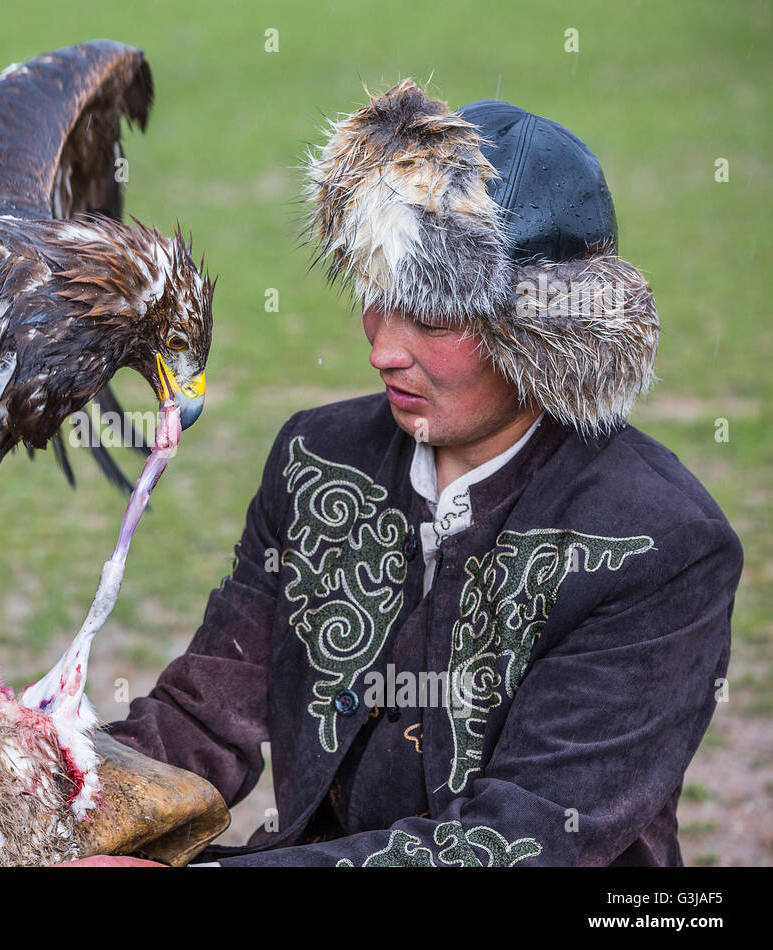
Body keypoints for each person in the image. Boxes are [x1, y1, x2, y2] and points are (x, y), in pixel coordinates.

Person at [83, 79, 743, 866]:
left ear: (540, 334)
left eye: (431, 319)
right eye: (375, 297)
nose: (382, 350)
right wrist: (56, 799)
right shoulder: (317, 457)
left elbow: (515, 842)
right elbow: (204, 715)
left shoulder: (659, 542)